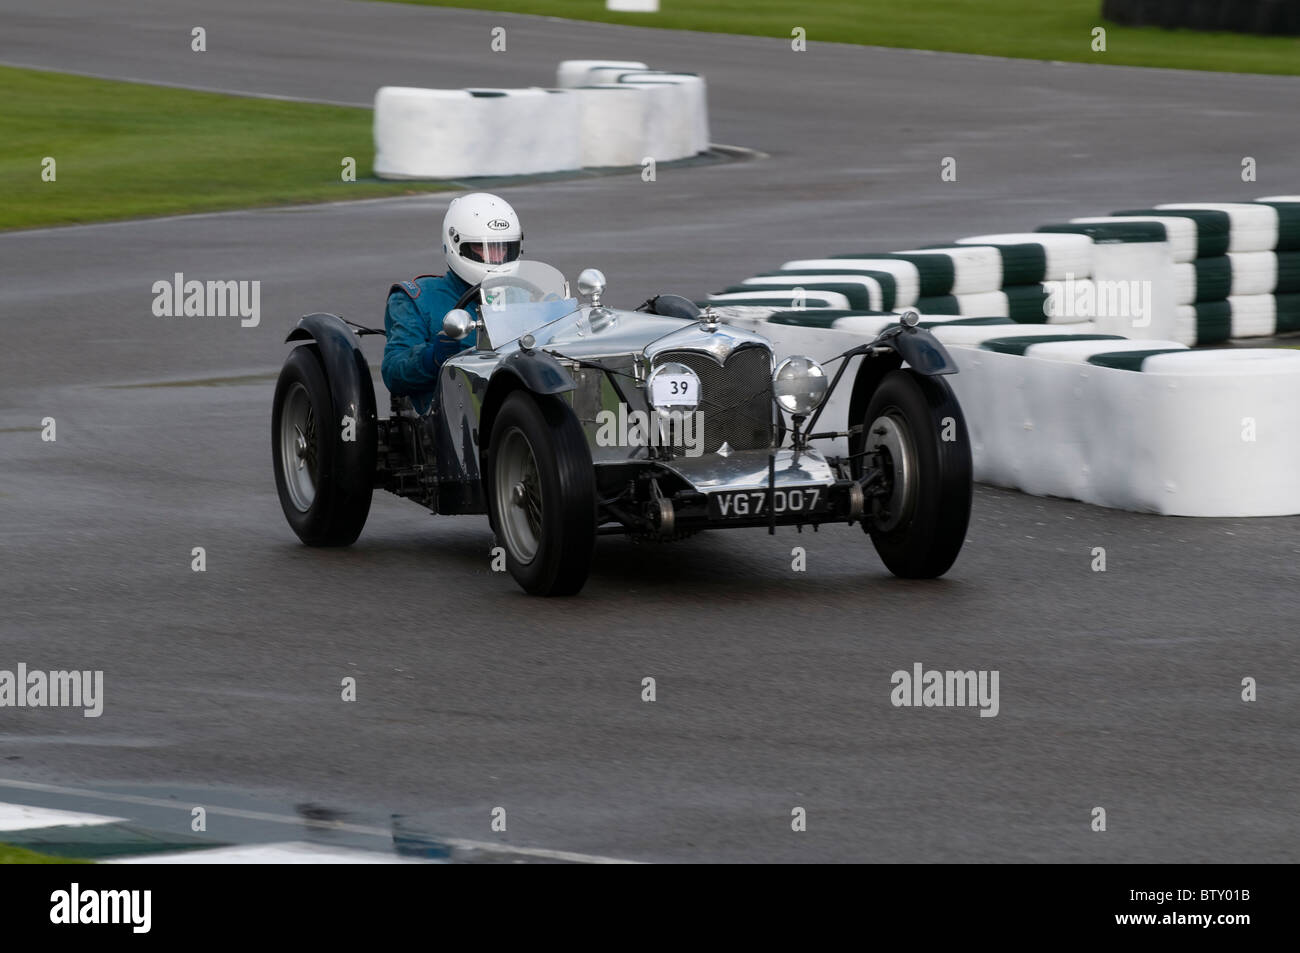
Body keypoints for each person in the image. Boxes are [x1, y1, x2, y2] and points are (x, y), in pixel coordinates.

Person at [381, 193, 523, 409]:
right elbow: (393, 372)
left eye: (503, 248)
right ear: (456, 244)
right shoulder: (416, 299)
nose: (496, 258)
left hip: (520, 402)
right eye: (482, 248)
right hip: (449, 415)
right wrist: (432, 358)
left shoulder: (525, 295)